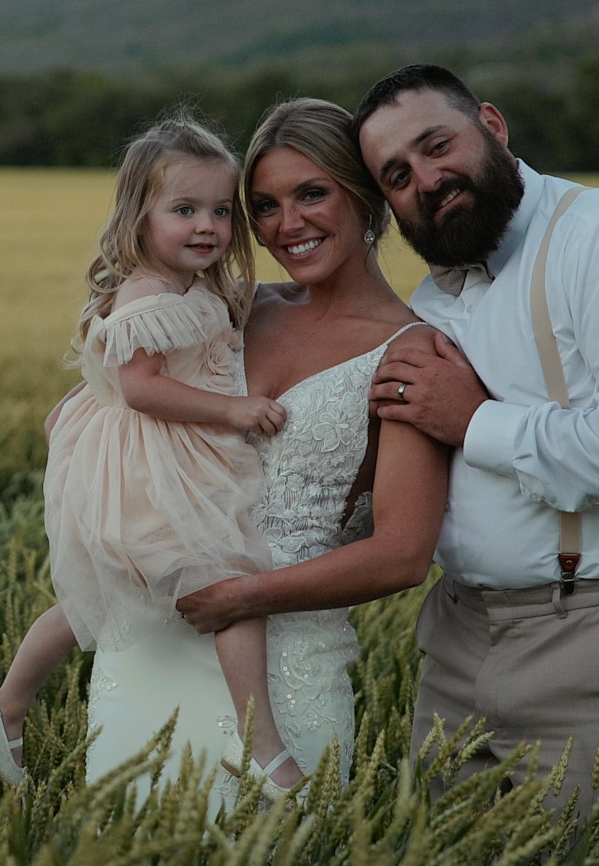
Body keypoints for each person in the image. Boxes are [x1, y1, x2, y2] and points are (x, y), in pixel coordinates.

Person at [354, 63, 599, 815]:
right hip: (457, 639)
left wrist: (472, 419)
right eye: (397, 175)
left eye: (437, 146)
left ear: (491, 125)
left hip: (596, 637)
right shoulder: (437, 293)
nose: (426, 180)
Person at [94, 98, 450, 809]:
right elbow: (125, 401)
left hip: (288, 672)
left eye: (312, 193)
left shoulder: (411, 350)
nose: (287, 225)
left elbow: (404, 555)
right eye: (261, 205)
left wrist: (243, 594)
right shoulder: (236, 309)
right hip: (149, 648)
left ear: (365, 194)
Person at [0, 115, 308, 799]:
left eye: (219, 210)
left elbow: (112, 373)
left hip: (159, 460)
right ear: (139, 216)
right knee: (233, 582)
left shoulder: (184, 286)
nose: (207, 225)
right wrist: (234, 411)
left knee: (98, 598)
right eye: (184, 210)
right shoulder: (148, 293)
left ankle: (5, 705)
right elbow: (141, 386)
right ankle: (264, 748)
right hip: (155, 466)